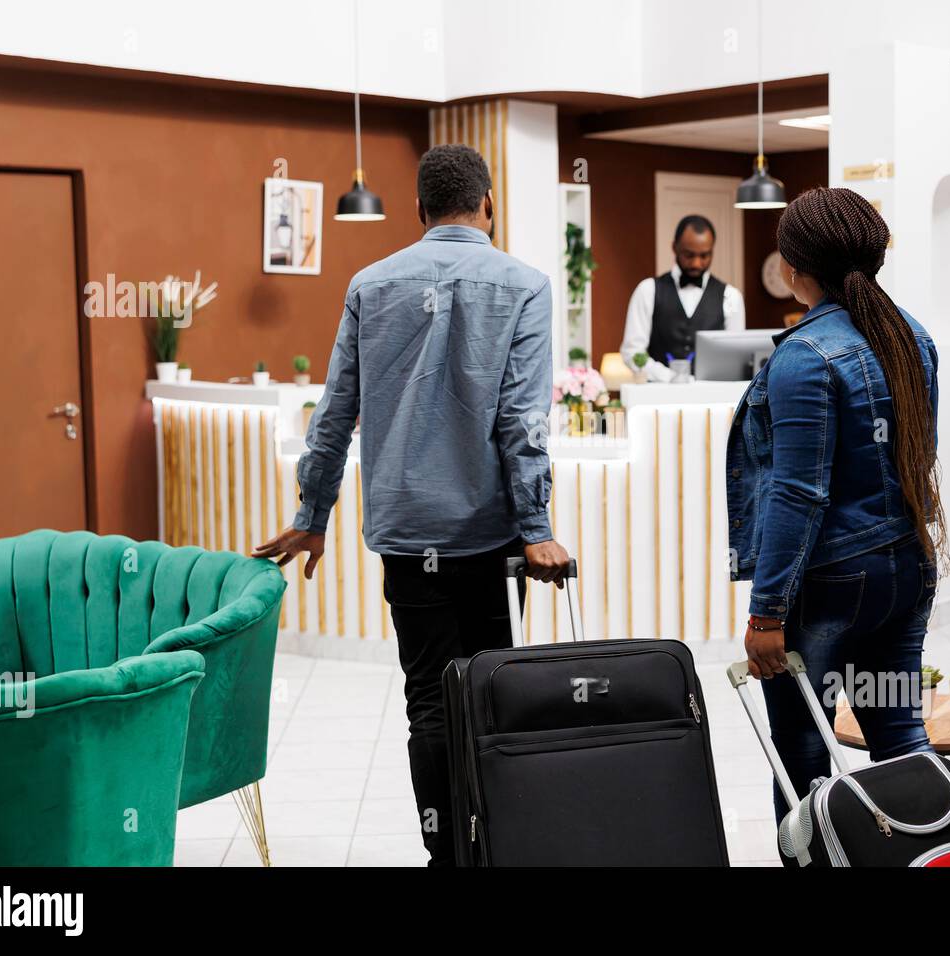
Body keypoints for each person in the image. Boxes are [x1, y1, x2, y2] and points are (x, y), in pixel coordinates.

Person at [253, 143, 571, 866]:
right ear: (488, 204)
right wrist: (537, 528)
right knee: (490, 689)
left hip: (406, 530)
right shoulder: (523, 284)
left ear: (421, 212)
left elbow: (335, 410)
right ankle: (494, 843)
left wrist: (313, 516)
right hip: (486, 533)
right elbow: (524, 420)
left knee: (429, 696)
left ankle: (444, 852)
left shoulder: (372, 283)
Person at [725, 186, 945, 856]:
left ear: (796, 268)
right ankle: (930, 851)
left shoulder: (804, 355)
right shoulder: (914, 335)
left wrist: (767, 614)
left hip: (828, 584)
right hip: (905, 565)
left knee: (804, 759)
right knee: (902, 739)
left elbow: (798, 494)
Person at [619, 214, 745, 381]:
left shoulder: (731, 297)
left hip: (711, 399)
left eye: (704, 256)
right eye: (689, 255)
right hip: (657, 398)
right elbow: (632, 352)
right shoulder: (648, 290)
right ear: (674, 248)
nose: (696, 263)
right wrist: (669, 377)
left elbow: (735, 356)